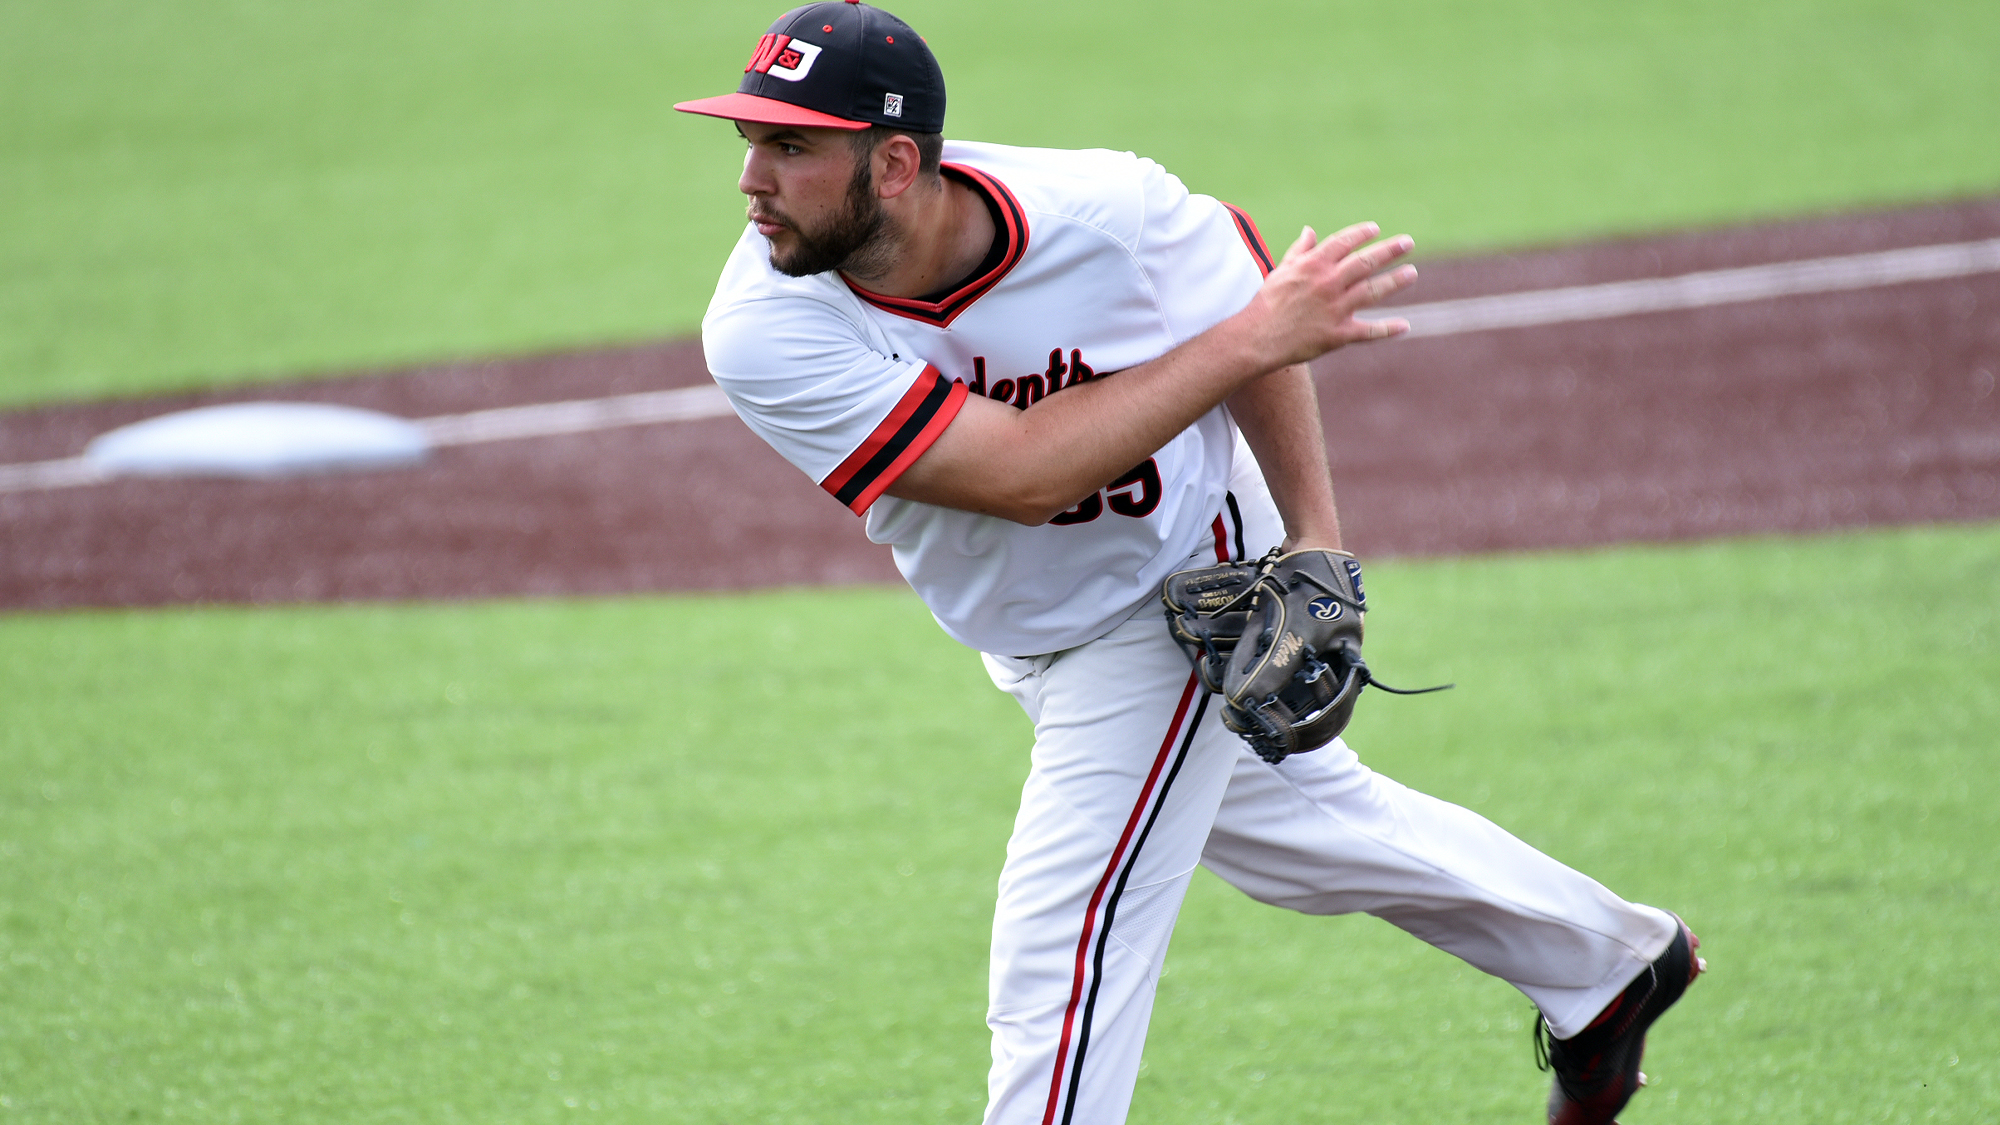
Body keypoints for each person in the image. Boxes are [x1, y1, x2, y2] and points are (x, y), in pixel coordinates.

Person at [676, 5, 1702, 1123]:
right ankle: (1606, 972)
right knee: (1298, 835)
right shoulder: (765, 329)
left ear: (895, 161)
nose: (752, 181)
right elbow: (1023, 473)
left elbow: (1251, 305)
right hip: (1030, 618)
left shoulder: (1102, 211)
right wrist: (1248, 341)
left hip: (1175, 587)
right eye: (748, 143)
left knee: (1065, 942)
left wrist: (1313, 538)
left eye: (789, 147)